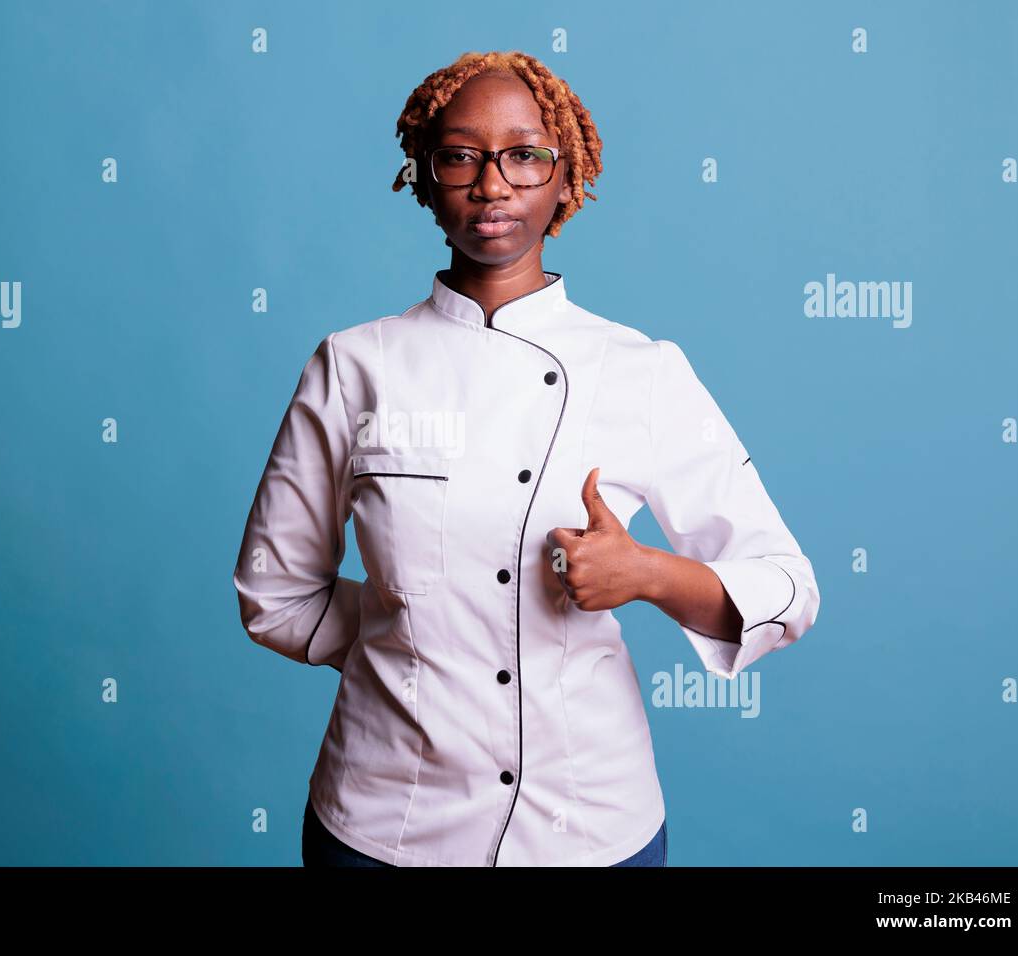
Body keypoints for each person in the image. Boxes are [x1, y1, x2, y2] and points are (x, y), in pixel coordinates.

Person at [233, 50, 820, 867]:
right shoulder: (353, 364)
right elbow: (275, 593)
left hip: (591, 828)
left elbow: (789, 587)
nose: (492, 183)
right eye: (460, 155)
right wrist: (406, 637)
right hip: (384, 823)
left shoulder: (641, 370)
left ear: (564, 175)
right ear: (425, 173)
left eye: (524, 154)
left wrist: (646, 574)